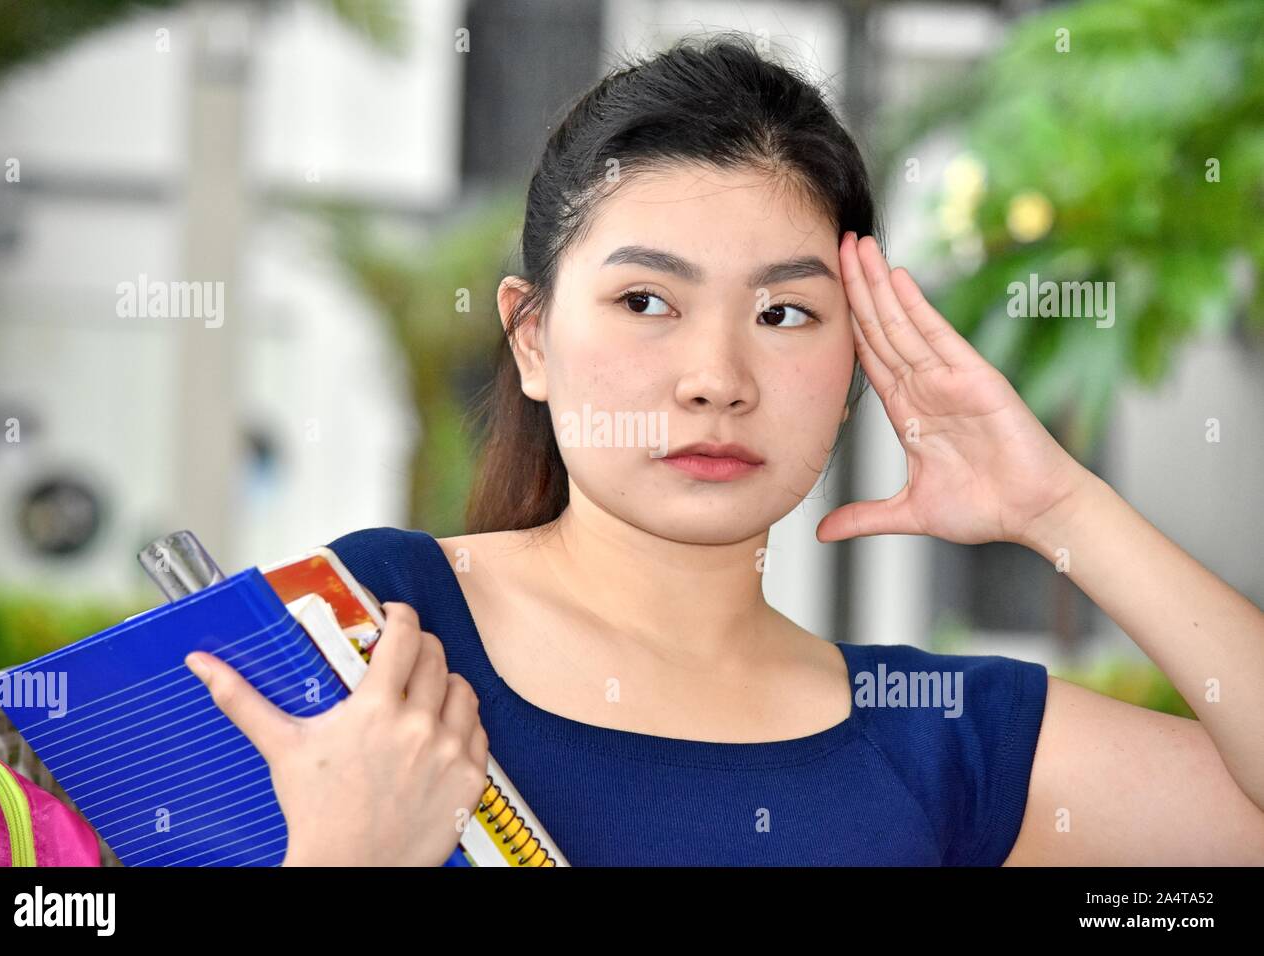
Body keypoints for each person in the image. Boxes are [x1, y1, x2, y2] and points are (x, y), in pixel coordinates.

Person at [184, 33, 1264, 866]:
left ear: (855, 366)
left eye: (785, 313)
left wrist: (1060, 510)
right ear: (530, 337)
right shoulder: (368, 629)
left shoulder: (938, 737)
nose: (716, 376)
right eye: (646, 299)